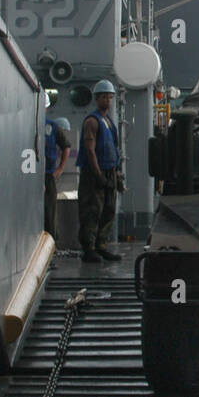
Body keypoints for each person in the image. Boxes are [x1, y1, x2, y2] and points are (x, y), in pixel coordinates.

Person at [76, 80, 122, 262]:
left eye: (110, 97)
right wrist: (98, 174)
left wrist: (116, 172)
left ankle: (101, 245)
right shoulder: (92, 121)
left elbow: (114, 148)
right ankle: (88, 248)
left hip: (109, 171)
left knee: (108, 209)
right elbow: (90, 150)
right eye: (104, 97)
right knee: (92, 210)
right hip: (94, 173)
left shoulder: (108, 122)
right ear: (97, 99)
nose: (108, 101)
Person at [43, 114, 72, 239]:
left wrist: (60, 169)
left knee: (50, 210)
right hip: (29, 175)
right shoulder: (27, 124)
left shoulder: (52, 126)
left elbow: (66, 146)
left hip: (48, 175)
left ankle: (52, 240)